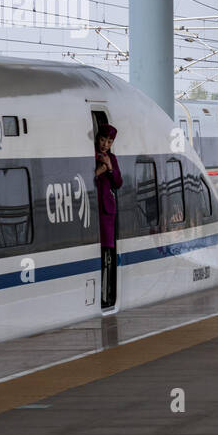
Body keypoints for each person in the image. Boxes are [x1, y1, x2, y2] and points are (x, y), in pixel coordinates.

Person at [95, 124, 122, 309]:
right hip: (93, 207)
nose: (105, 144)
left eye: (109, 141)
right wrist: (101, 171)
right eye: (103, 140)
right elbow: (89, 177)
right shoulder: (91, 156)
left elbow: (118, 182)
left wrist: (110, 168)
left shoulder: (111, 158)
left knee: (107, 251)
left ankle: (106, 294)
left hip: (107, 211)